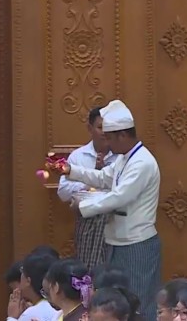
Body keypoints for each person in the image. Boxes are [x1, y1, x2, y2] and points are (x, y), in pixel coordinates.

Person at [50, 100, 161, 320]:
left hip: (136, 243)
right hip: (118, 241)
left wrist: (83, 207)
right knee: (118, 303)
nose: (107, 143)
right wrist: (71, 170)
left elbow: (119, 198)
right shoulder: (125, 159)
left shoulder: (142, 162)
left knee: (137, 301)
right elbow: (103, 178)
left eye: (109, 138)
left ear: (122, 135)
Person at [57, 106, 118, 270]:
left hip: (115, 224)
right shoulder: (78, 156)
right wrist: (91, 179)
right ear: (90, 128)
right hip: (87, 223)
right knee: (87, 273)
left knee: (112, 273)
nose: (105, 132)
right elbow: (63, 192)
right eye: (100, 128)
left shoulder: (122, 157)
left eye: (108, 128)